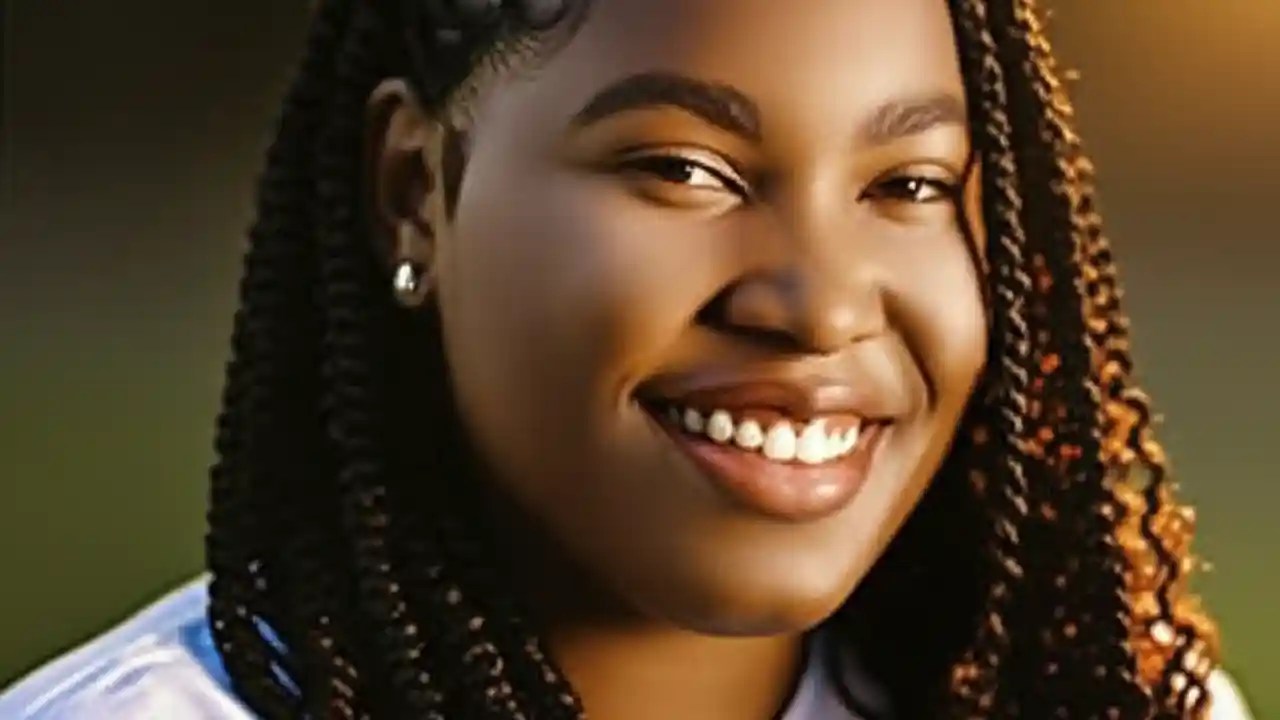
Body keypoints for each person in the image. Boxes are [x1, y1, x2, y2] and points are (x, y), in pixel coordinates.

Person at [0, 0, 1256, 717]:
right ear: (413, 194)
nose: (818, 307)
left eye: (911, 183)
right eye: (681, 171)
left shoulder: (1113, 704)